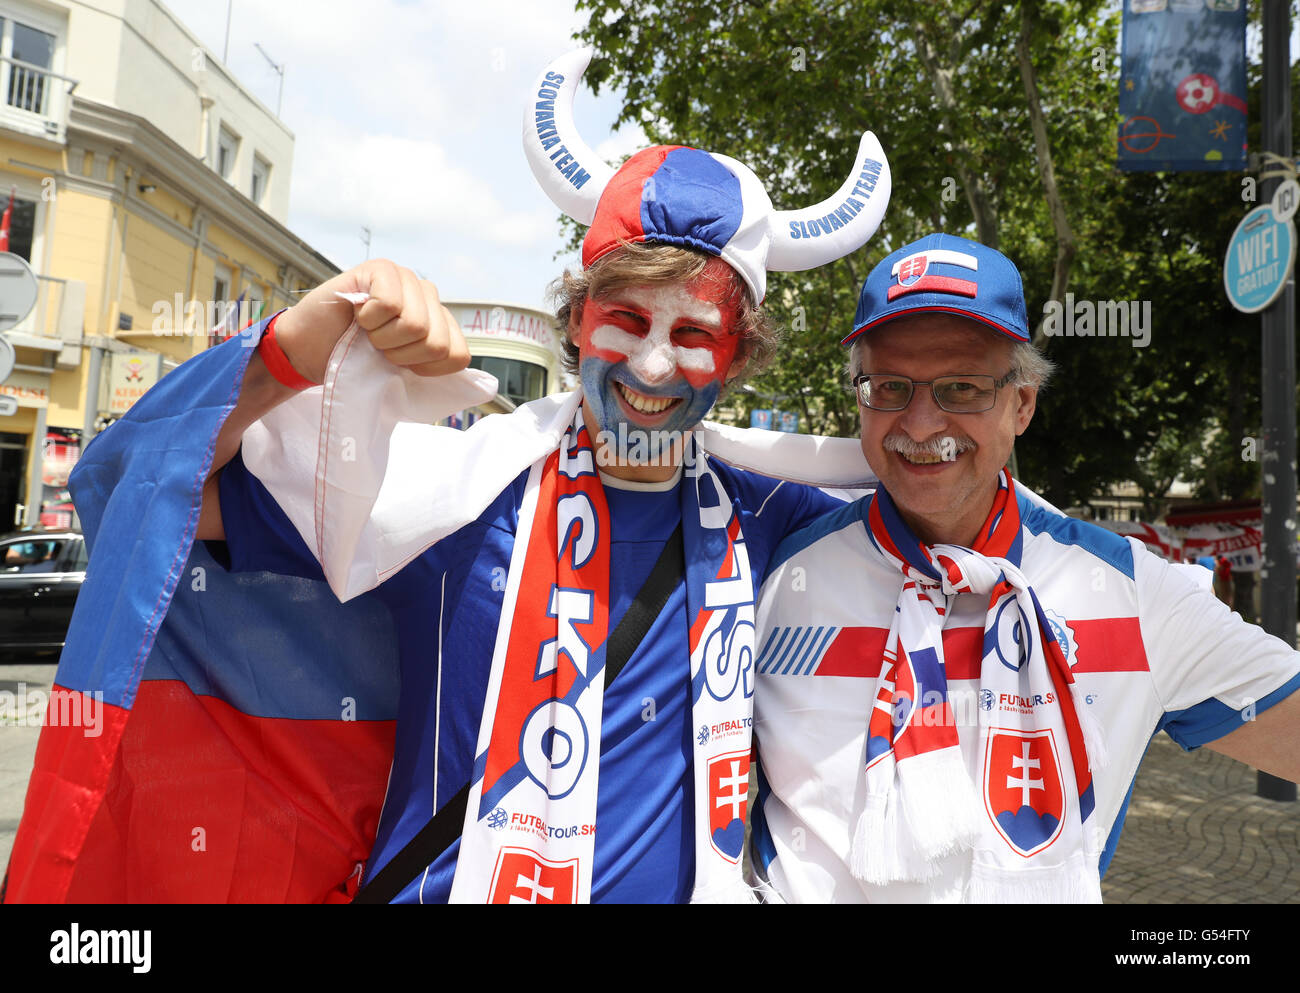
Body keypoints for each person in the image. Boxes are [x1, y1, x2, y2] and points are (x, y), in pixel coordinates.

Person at [3, 49, 889, 904]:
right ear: (577, 322)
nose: (653, 367)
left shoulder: (775, 513)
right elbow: (139, 497)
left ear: (737, 361)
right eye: (625, 318)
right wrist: (290, 349)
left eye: (695, 334)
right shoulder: (459, 494)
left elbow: (955, 513)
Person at [749, 233, 1300, 903]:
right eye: (890, 386)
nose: (921, 424)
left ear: (1023, 403)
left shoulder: (1131, 590)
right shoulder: (773, 577)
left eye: (962, 388)